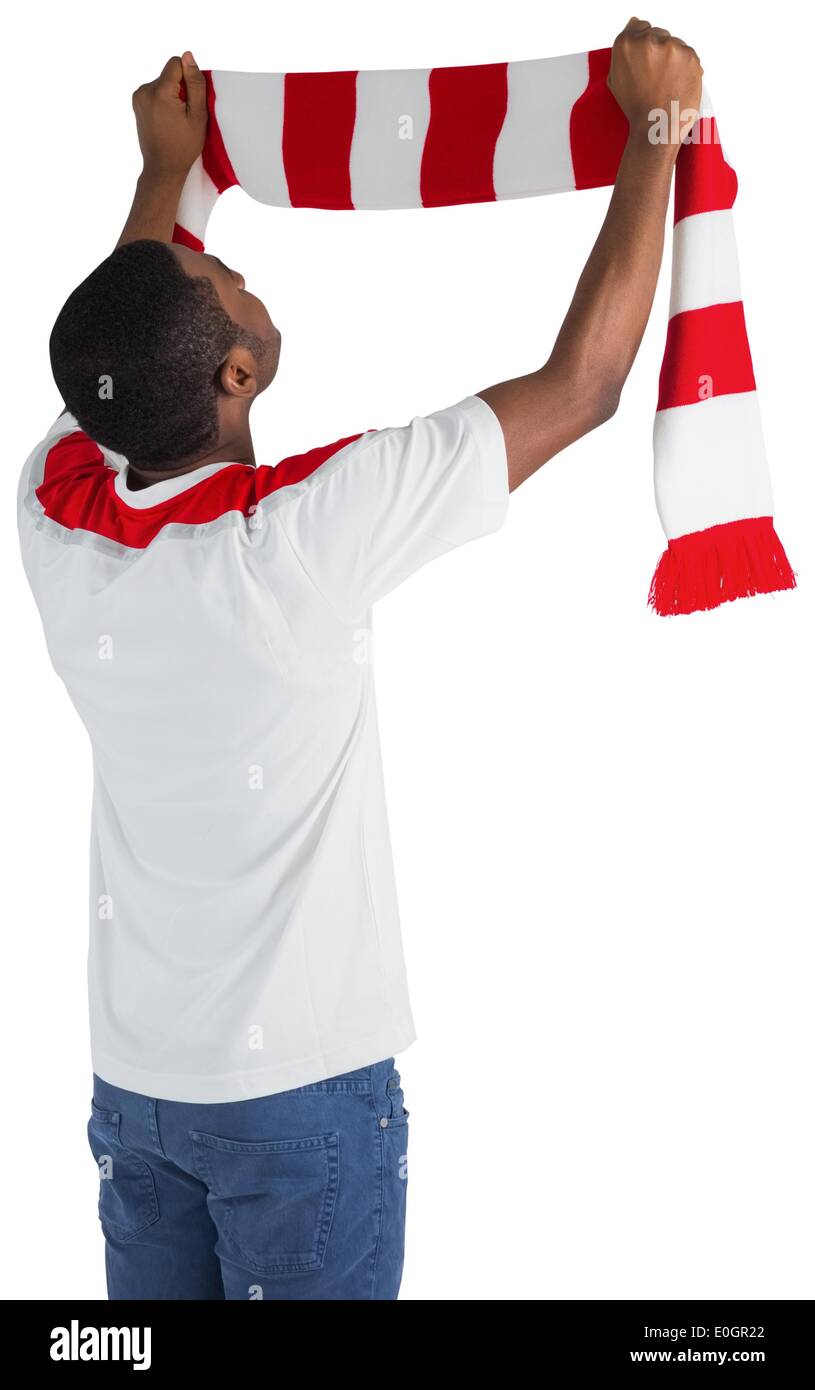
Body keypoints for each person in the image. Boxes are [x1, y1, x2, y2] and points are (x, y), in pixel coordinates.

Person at [18, 19, 702, 1300]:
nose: (224, 268)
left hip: (138, 1096)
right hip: (297, 1110)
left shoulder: (55, 513)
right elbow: (584, 383)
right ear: (233, 370)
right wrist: (656, 131)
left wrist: (161, 171)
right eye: (227, 286)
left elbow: (120, 340)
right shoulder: (300, 534)